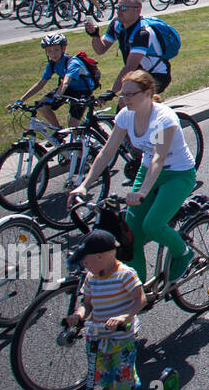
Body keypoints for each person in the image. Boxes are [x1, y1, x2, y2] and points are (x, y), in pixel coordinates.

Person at [70, 69, 198, 289]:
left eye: (130, 94)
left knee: (153, 225)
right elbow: (107, 152)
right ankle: (136, 290)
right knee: (131, 236)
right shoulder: (125, 116)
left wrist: (141, 193)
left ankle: (184, 253)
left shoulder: (163, 118)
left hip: (177, 173)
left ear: (148, 93)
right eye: (123, 94)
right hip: (147, 171)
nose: (124, 99)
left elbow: (158, 158)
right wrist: (84, 185)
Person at [63, 229, 145, 390]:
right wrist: (79, 315)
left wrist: (123, 317)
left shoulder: (125, 275)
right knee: (109, 381)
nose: (84, 265)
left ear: (101, 257)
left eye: (86, 261)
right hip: (98, 338)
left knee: (123, 383)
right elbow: (87, 303)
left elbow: (140, 299)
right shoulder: (92, 278)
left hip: (121, 339)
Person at [86, 0, 176, 94]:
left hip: (156, 75)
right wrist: (95, 35)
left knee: (127, 99)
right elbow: (100, 50)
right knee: (129, 100)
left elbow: (130, 67)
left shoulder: (143, 33)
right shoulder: (117, 24)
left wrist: (112, 92)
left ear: (137, 10)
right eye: (118, 8)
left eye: (124, 8)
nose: (119, 12)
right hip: (137, 75)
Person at [10, 32, 99, 129]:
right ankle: (58, 131)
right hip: (69, 89)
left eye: (56, 50)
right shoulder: (52, 64)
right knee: (41, 106)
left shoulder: (73, 62)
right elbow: (40, 84)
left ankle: (78, 143)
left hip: (83, 91)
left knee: (73, 125)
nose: (53, 54)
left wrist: (57, 96)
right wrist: (21, 100)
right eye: (49, 51)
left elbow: (65, 82)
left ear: (63, 49)